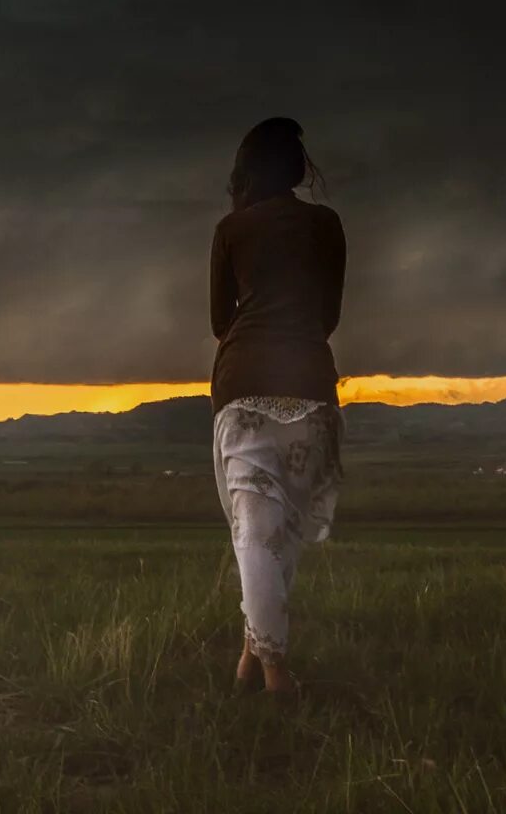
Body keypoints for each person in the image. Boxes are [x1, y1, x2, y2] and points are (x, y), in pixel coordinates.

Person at [207, 114, 345, 697]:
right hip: (311, 386)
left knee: (253, 534)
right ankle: (251, 662)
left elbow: (220, 323)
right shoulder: (326, 225)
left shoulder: (232, 229)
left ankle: (276, 676)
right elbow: (328, 316)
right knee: (277, 535)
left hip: (245, 388)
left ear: (245, 173)